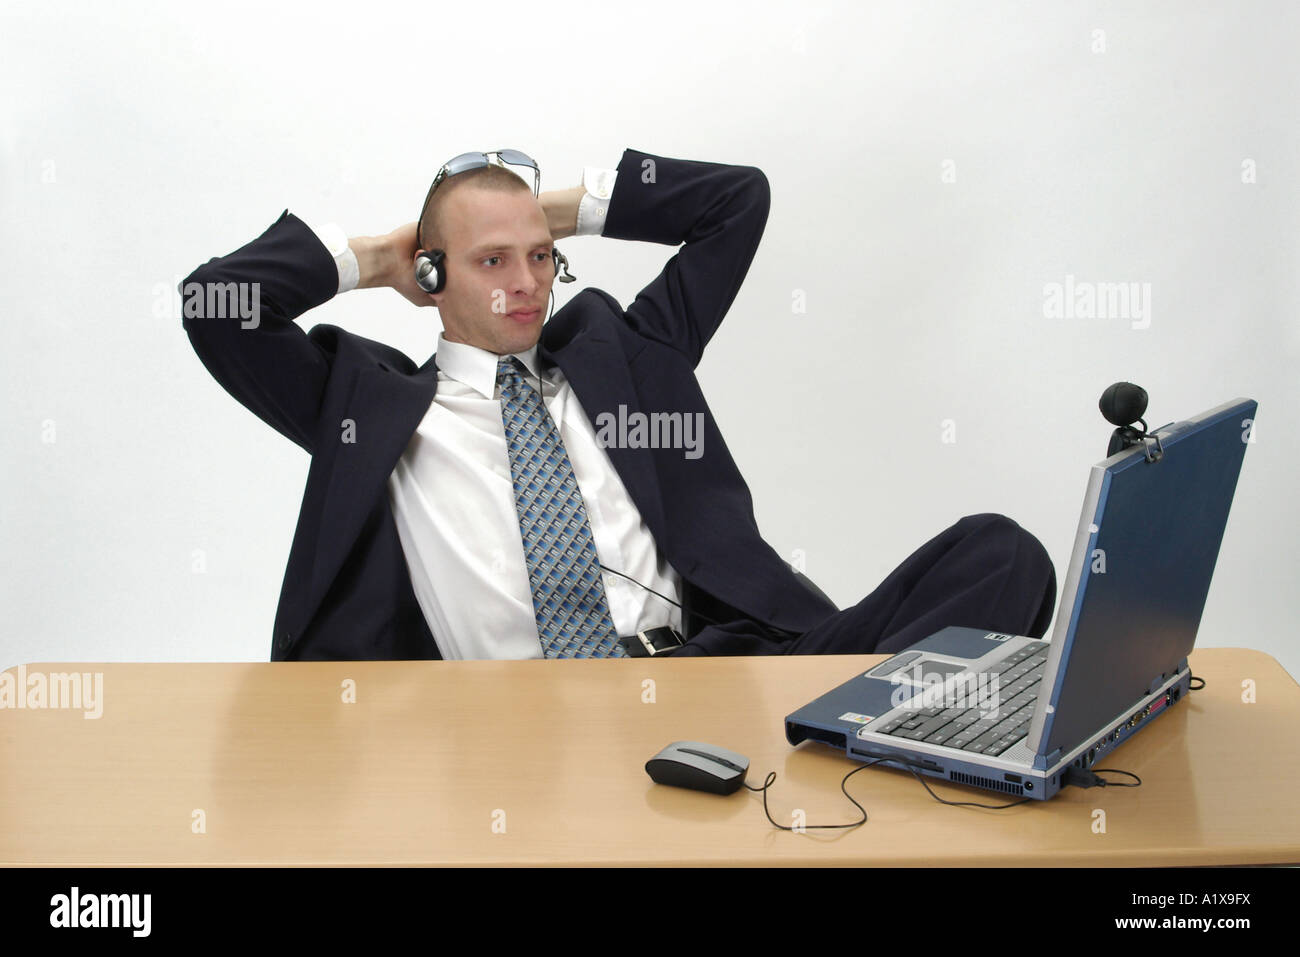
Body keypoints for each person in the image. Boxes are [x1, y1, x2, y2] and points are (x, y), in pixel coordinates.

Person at [180, 147, 1055, 661]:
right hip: (515, 734)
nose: (528, 285)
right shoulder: (367, 408)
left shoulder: (627, 354)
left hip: (719, 673)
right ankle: (854, 759)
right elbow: (215, 305)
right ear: (435, 274)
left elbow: (734, 202)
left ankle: (851, 742)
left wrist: (551, 208)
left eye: (539, 256)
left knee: (1003, 555)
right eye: (491, 261)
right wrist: (373, 258)